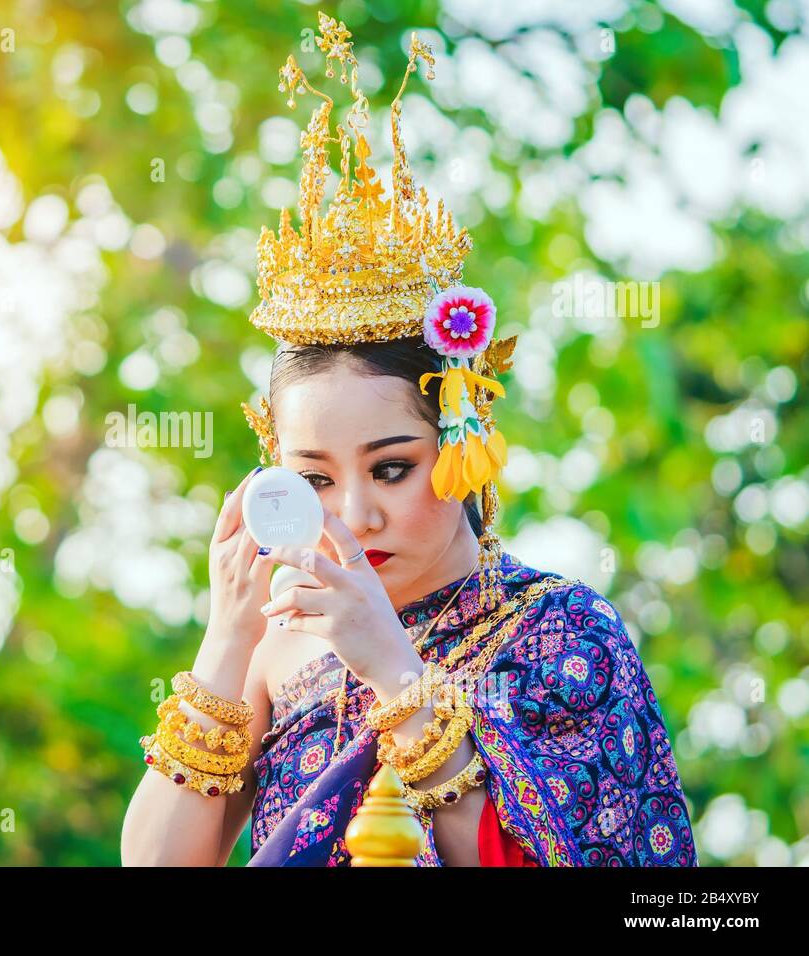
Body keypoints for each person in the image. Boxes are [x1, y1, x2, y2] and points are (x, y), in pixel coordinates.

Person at [119, 12, 696, 867]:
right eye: (313, 480)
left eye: (392, 468)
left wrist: (397, 674)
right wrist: (228, 635)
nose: (356, 514)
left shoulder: (562, 634)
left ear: (464, 439)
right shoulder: (282, 645)